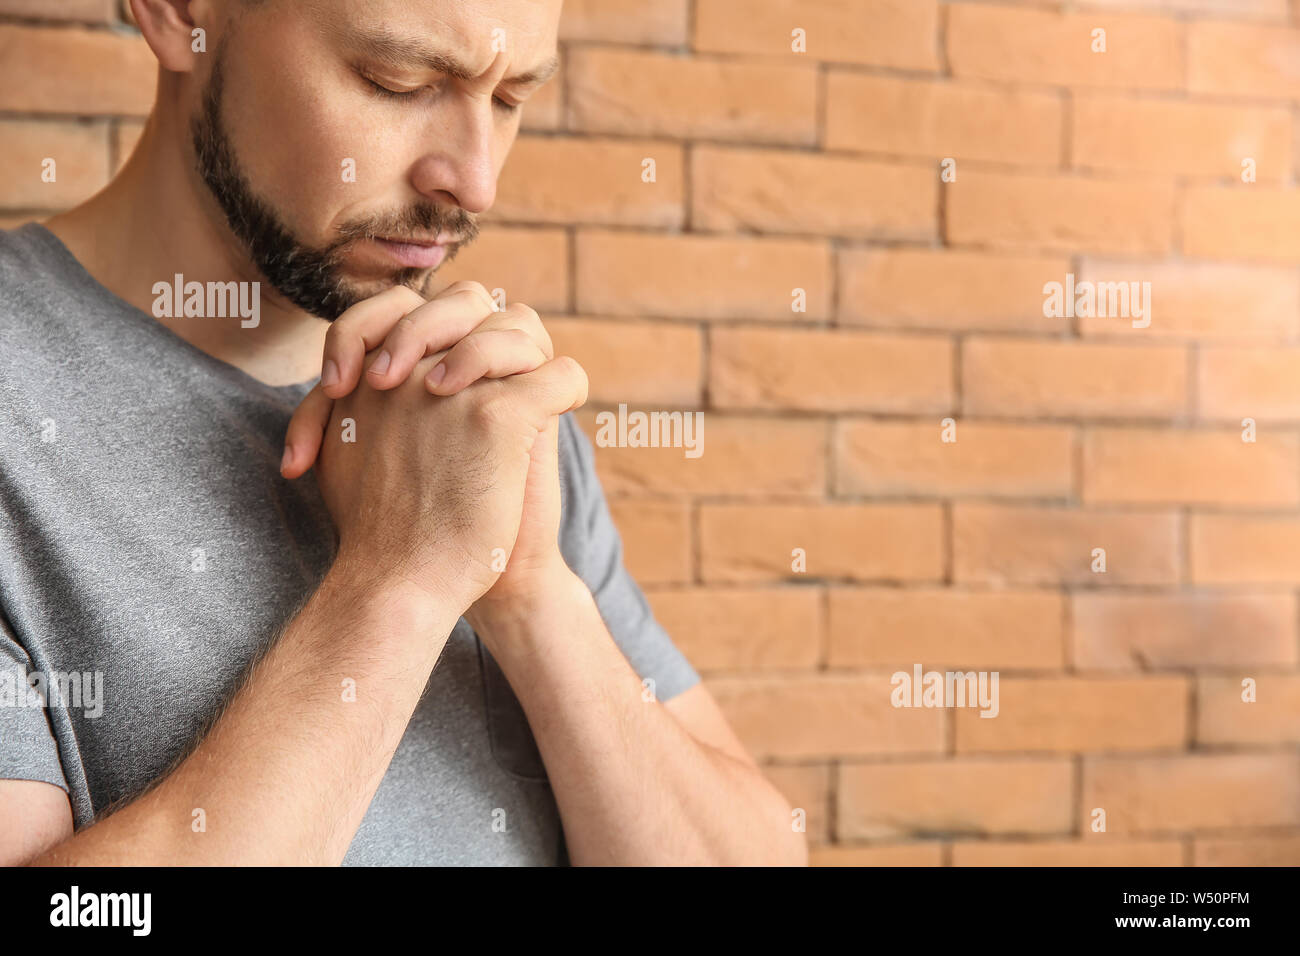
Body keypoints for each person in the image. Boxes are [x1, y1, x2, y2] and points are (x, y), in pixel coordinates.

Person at [0, 0, 806, 866]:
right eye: (400, 81)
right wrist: (400, 585)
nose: (474, 181)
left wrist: (530, 596)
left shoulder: (480, 404)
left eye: (509, 101)